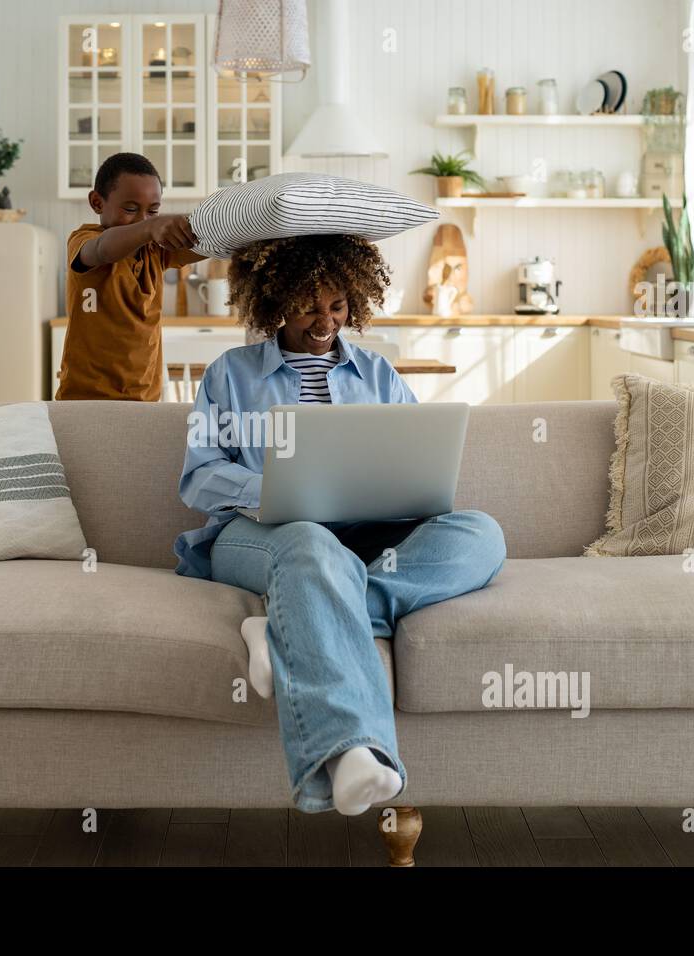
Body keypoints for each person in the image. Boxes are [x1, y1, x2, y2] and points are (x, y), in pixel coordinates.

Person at [173, 234, 507, 816]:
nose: (324, 321)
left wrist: (404, 490)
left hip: (368, 535)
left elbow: (413, 457)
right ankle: (355, 750)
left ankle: (285, 628)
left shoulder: (377, 373)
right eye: (308, 306)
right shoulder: (231, 374)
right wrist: (277, 489)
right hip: (263, 535)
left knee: (481, 535)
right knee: (310, 542)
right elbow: (199, 477)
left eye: (337, 306)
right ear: (276, 301)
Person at [57, 152, 206, 401]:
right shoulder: (85, 239)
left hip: (145, 398)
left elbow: (207, 242)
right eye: (130, 209)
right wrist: (151, 227)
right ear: (97, 202)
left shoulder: (156, 251)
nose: (141, 219)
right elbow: (102, 249)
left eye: (153, 211)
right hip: (84, 399)